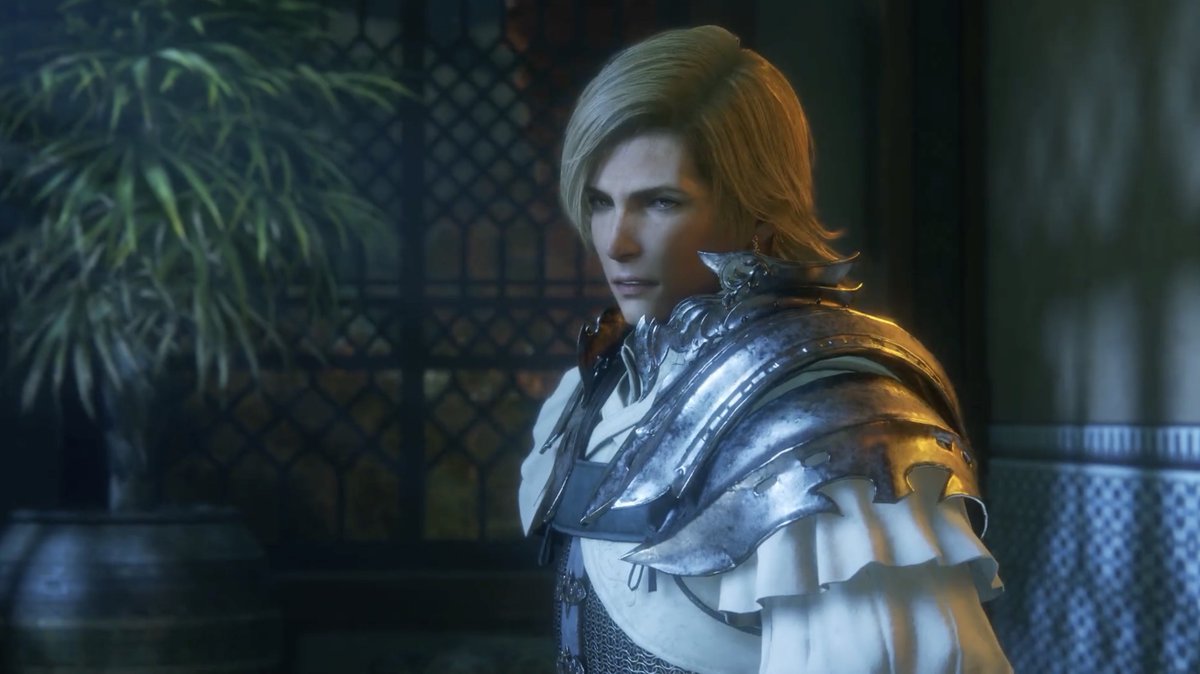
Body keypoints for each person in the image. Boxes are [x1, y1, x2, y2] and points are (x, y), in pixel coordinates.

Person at [518, 25, 1011, 674]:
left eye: (660, 203)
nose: (616, 243)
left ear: (757, 205)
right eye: (600, 203)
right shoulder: (597, 389)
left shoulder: (833, 419)